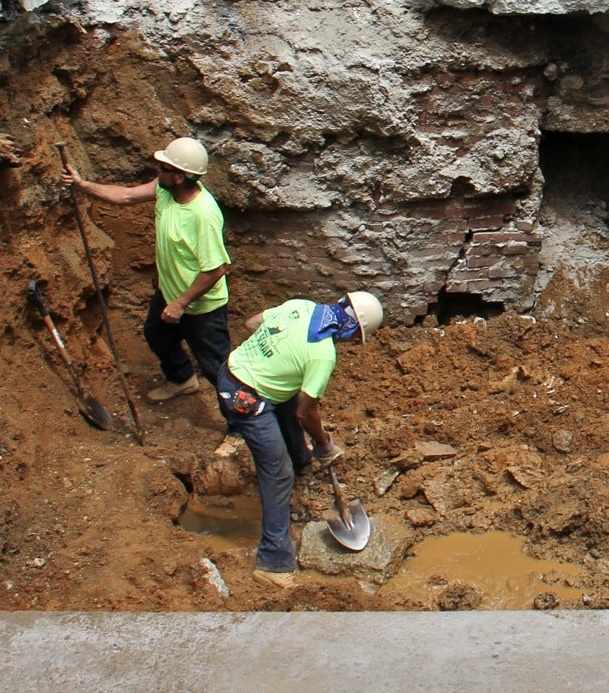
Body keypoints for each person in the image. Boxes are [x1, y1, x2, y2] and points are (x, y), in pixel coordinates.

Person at [218, 291, 383, 588]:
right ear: (353, 329)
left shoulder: (302, 306)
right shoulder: (322, 355)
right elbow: (306, 414)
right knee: (279, 475)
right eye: (355, 337)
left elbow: (252, 323)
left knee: (289, 394)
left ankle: (300, 458)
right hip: (244, 401)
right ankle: (273, 562)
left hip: (229, 370)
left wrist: (277, 359)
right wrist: (324, 445)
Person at [60, 136, 233, 404]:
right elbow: (126, 196)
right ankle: (182, 379)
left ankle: (241, 425)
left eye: (163, 167)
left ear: (179, 176)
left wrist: (180, 304)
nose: (157, 170)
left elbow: (216, 269)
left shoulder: (202, 214)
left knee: (217, 368)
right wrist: (82, 186)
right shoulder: (165, 190)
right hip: (169, 293)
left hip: (201, 307)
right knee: (157, 334)